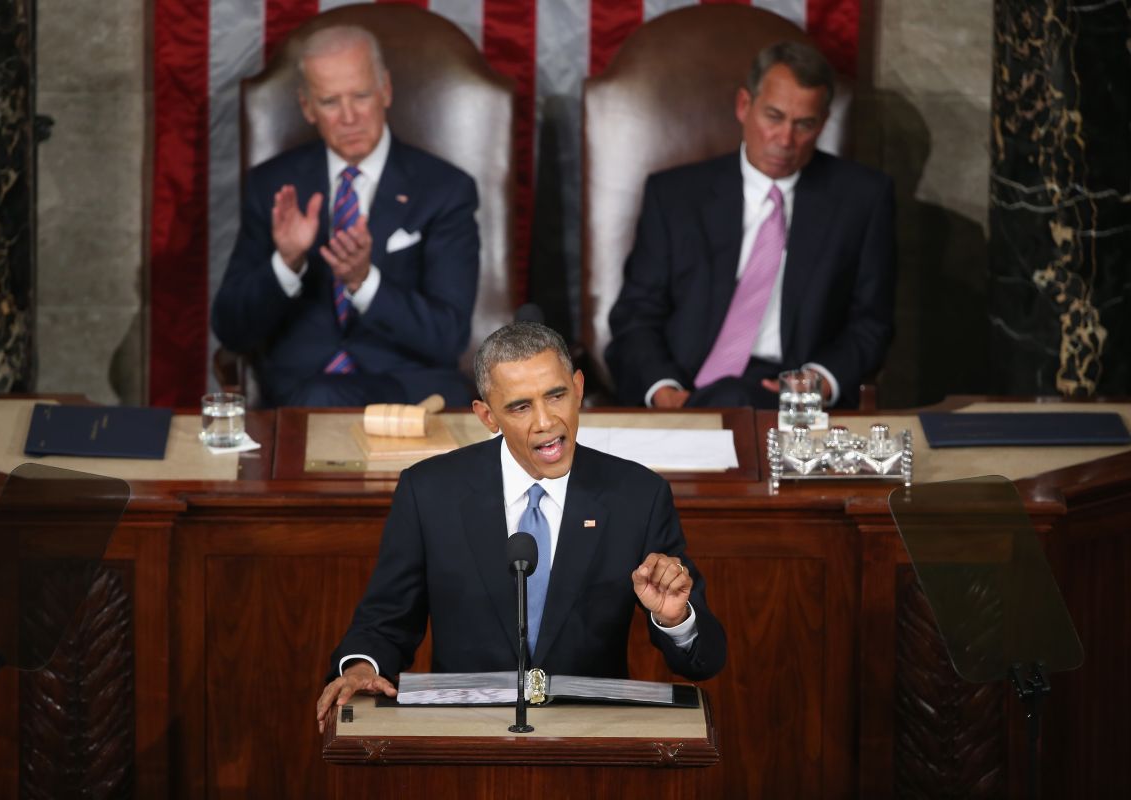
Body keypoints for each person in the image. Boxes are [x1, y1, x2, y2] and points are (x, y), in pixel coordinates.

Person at [316, 321, 726, 730]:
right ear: (487, 415)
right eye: (520, 407)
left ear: (578, 387)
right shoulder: (429, 492)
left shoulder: (637, 495)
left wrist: (676, 619)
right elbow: (385, 621)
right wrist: (359, 668)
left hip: (590, 736)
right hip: (463, 734)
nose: (545, 421)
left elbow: (704, 661)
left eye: (556, 395)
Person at [605, 41, 896, 410]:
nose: (785, 140)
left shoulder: (862, 199)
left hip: (791, 397)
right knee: (727, 398)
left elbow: (871, 323)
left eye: (804, 124)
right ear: (744, 105)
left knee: (738, 399)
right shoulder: (675, 196)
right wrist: (664, 392)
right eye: (774, 117)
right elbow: (636, 314)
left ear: (822, 124)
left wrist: (817, 382)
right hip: (687, 388)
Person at [212, 26, 479, 407]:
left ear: (385, 90)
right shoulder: (272, 186)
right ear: (307, 107)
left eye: (361, 96)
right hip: (299, 395)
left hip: (407, 393)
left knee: (325, 398)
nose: (349, 117)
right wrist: (286, 264)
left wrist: (364, 282)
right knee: (317, 398)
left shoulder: (445, 189)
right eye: (330, 102)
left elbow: (448, 336)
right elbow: (232, 330)